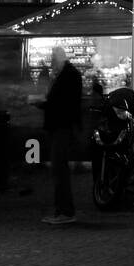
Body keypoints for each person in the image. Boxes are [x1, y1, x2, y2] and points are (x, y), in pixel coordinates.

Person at [38, 46, 82, 225]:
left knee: (59, 169)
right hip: (61, 126)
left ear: (58, 58)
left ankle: (65, 211)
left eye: (52, 58)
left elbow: (60, 103)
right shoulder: (68, 74)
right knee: (59, 168)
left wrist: (42, 103)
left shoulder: (68, 76)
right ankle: (62, 210)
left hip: (61, 127)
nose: (50, 62)